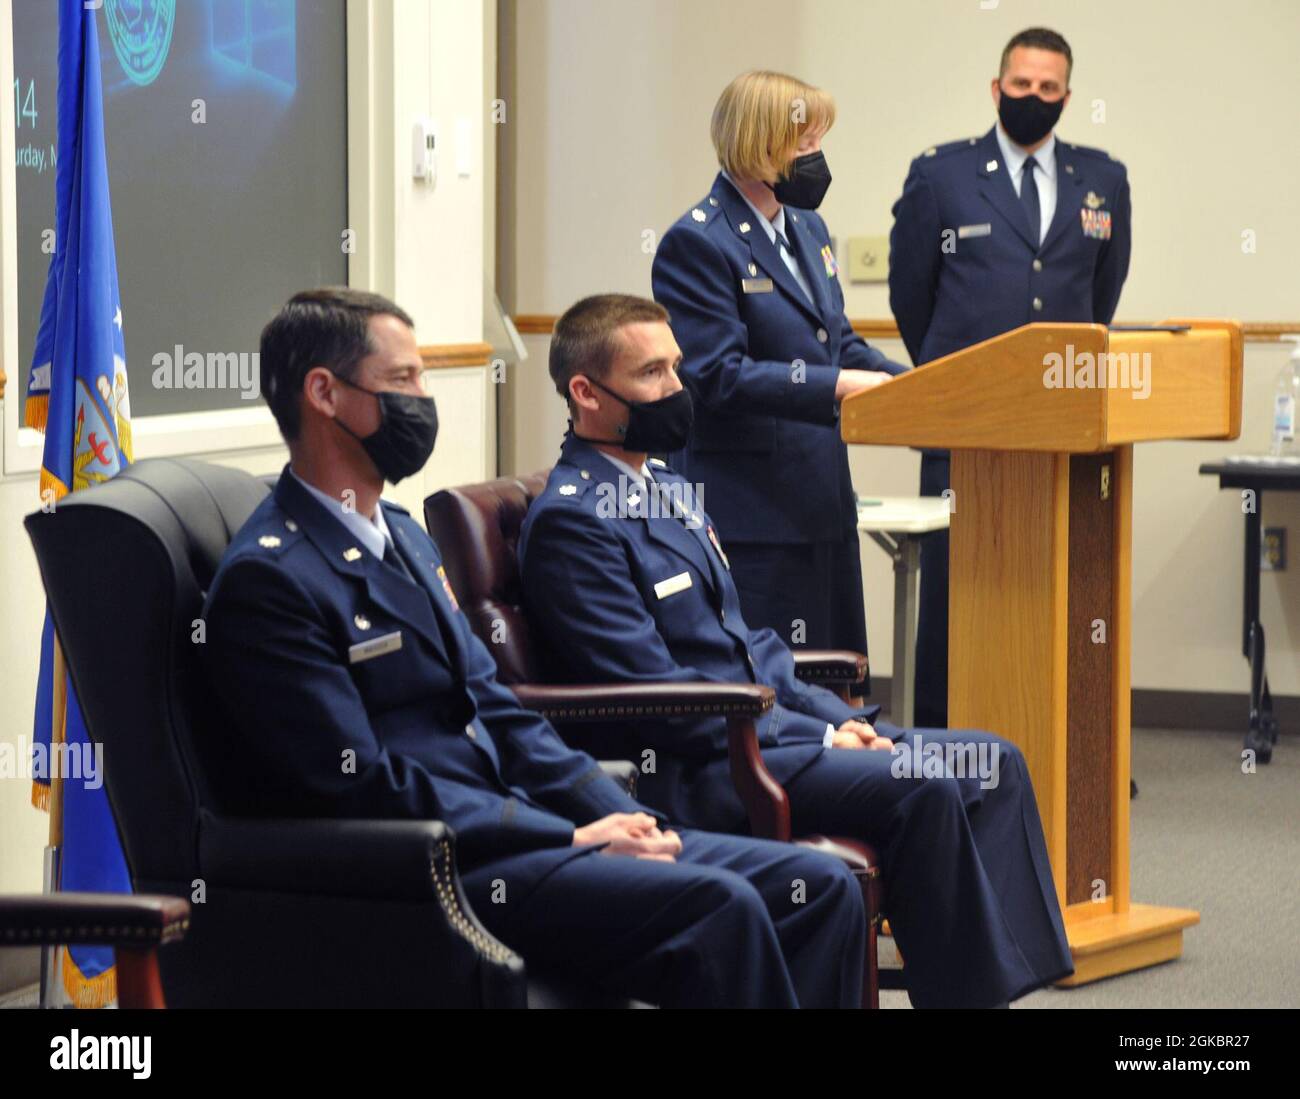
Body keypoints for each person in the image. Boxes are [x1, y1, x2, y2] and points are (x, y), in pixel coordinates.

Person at [198, 287, 867, 1009]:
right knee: (722, 906)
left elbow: (502, 711)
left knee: (820, 889)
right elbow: (362, 784)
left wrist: (620, 811)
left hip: (521, 826)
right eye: (403, 381)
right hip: (438, 867)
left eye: (423, 376)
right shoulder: (271, 578)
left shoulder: (402, 536)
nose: (424, 398)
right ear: (324, 394)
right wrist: (566, 835)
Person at [518, 293, 1076, 1009]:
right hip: (708, 763)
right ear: (586, 393)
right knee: (927, 780)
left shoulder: (662, 486)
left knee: (992, 762)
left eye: (677, 368)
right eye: (652, 373)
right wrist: (819, 731)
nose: (677, 390)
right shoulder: (573, 519)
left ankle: (999, 988)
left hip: (776, 732)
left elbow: (749, 643)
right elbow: (658, 699)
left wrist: (839, 719)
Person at [889, 27, 1131, 726]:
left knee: (1062, 587)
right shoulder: (941, 175)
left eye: (1048, 88)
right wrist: (950, 381)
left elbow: (1100, 298)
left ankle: (1061, 735)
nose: (1034, 98)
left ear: (1067, 96)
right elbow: (912, 297)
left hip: (1063, 425)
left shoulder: (1103, 178)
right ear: (997, 89)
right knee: (956, 595)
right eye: (1021, 86)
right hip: (965, 423)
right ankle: (942, 739)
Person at [651, 70, 908, 671]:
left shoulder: (808, 228)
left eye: (819, 142)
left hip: (822, 499)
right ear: (760, 143)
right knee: (773, 687)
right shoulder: (698, 243)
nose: (818, 158)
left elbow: (837, 343)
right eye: (806, 144)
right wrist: (840, 386)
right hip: (754, 513)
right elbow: (717, 376)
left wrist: (912, 386)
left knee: (837, 675)